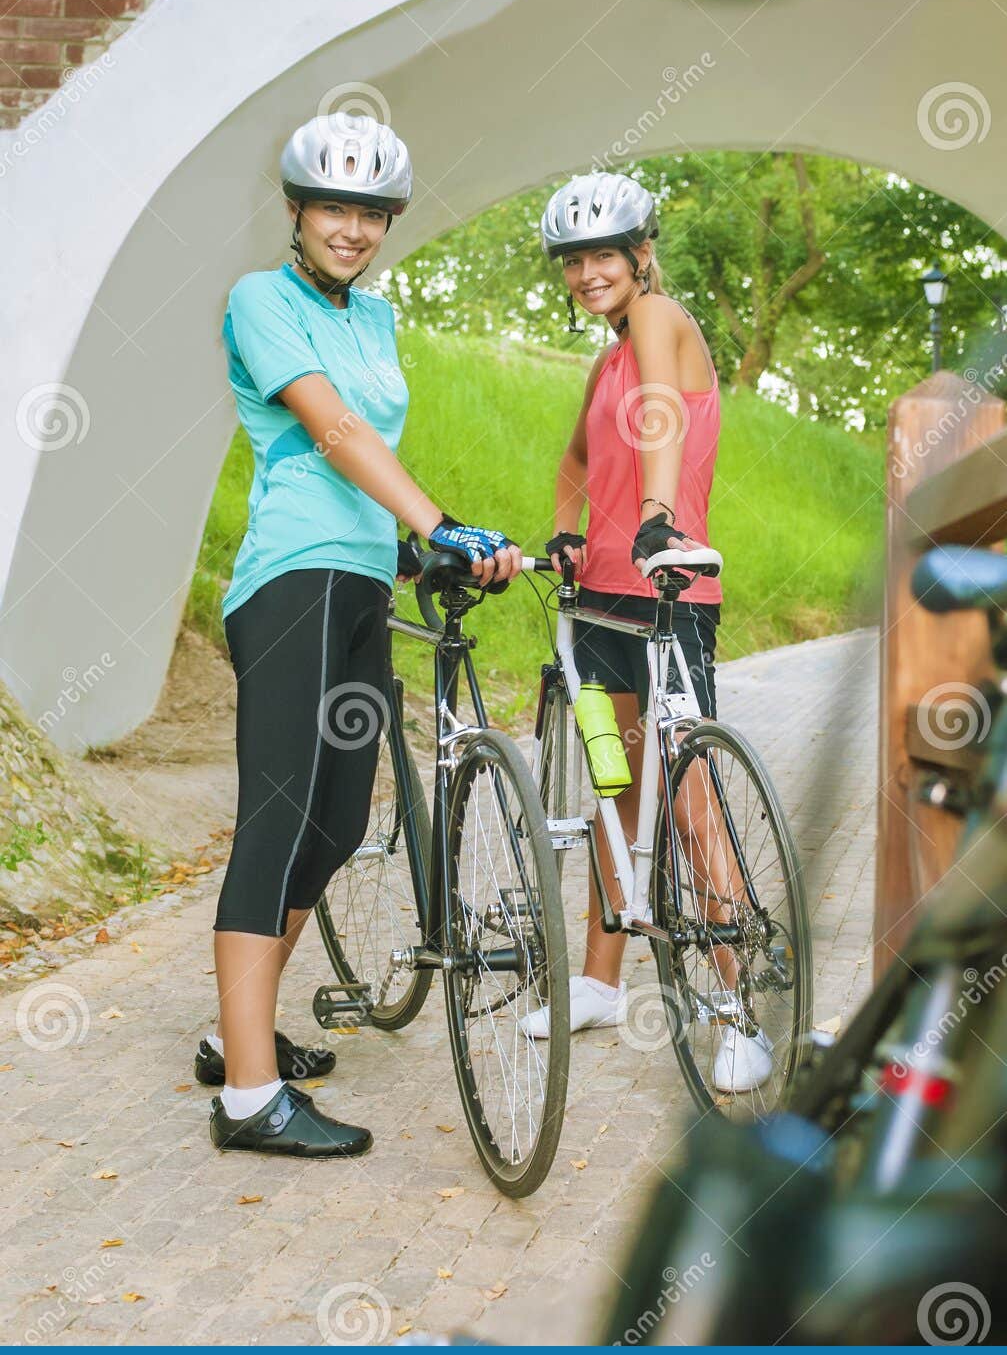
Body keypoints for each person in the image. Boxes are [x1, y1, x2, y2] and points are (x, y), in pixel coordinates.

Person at [199, 110, 524, 1157]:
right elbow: (330, 431)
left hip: (355, 580)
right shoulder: (259, 299)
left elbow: (370, 453)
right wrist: (435, 520)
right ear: (296, 210)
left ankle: (233, 1030)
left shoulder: (375, 319)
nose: (350, 228)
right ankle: (248, 1099)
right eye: (333, 206)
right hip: (289, 579)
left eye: (370, 211)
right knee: (278, 815)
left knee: (338, 821)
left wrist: (421, 544)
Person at [522, 170, 771, 1093]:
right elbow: (577, 457)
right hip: (600, 599)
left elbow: (663, 415)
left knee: (689, 797)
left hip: (669, 594)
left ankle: (742, 1011)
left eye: (603, 256)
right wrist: (567, 527)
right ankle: (597, 980)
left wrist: (660, 517)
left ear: (638, 256)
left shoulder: (661, 320)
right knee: (614, 787)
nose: (588, 273)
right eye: (573, 261)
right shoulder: (604, 358)